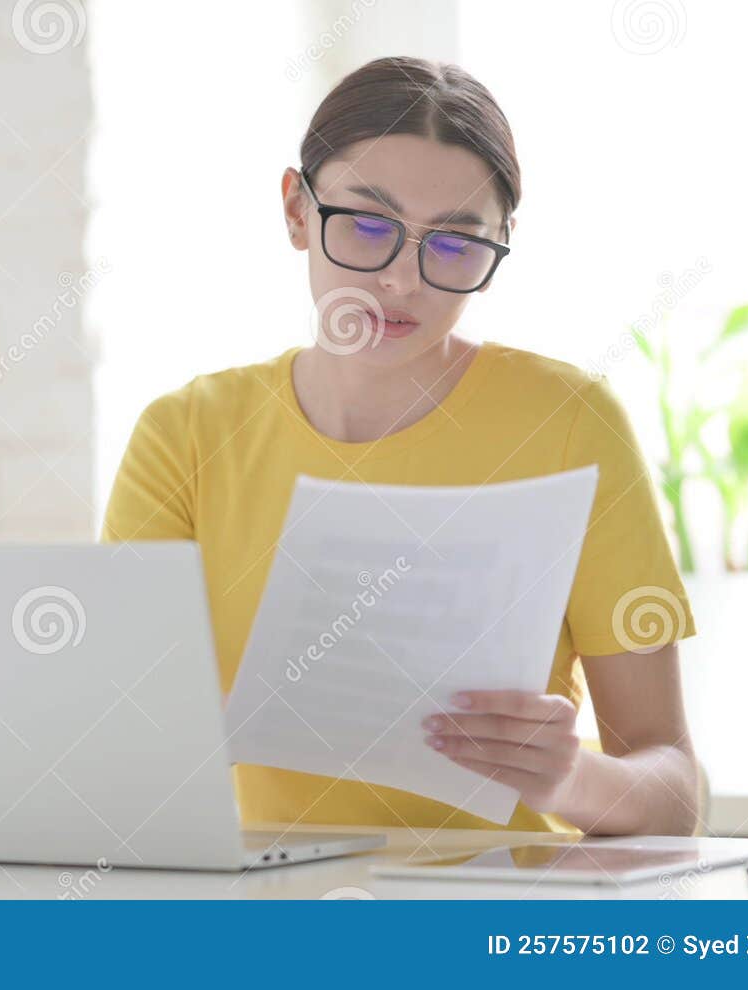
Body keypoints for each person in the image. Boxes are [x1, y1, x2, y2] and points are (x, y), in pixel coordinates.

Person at [100, 56, 699, 836]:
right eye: (368, 225)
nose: (402, 280)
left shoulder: (569, 422)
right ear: (295, 210)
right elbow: (117, 745)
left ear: (501, 244)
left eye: (453, 245)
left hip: (495, 922)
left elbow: (674, 786)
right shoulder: (186, 435)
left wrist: (574, 778)